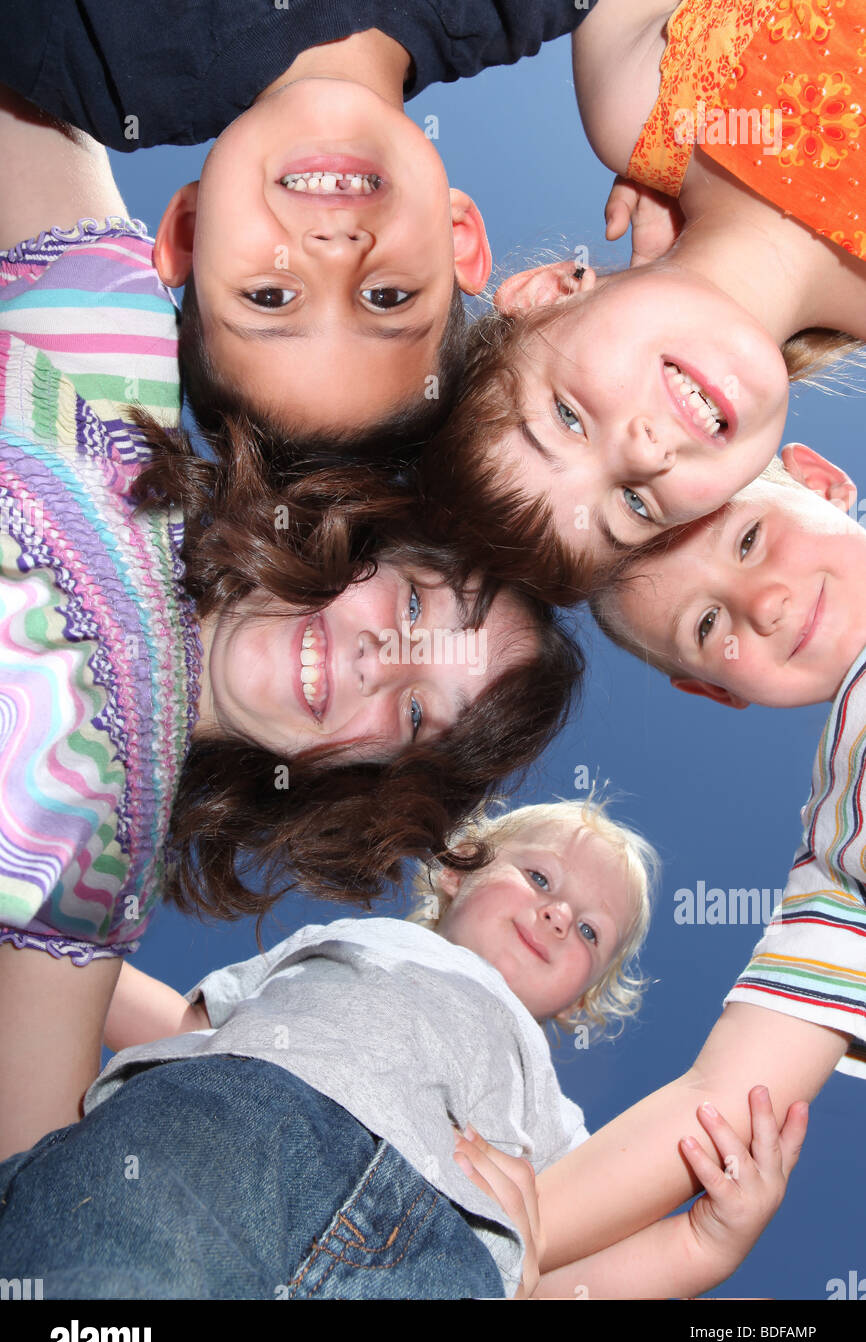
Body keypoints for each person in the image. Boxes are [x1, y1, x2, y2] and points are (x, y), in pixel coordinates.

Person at [0, 92, 581, 1162]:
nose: (378, 661)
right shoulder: (106, 364)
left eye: (415, 710)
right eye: (412, 606)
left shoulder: (86, 884)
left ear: (357, 775)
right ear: (358, 531)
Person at [0, 797, 808, 1299]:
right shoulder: (355, 941)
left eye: (591, 931)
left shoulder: (555, 1123)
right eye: (538, 879)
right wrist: (45, 929)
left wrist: (701, 1247)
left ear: (585, 994)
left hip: (439, 1255)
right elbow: (184, 1028)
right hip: (231, 1129)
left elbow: (559, 1281)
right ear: (456, 870)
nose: (562, 915)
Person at [514, 448, 865, 1277]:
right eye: (709, 626)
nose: (766, 603)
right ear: (716, 690)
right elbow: (720, 1099)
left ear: (821, 483)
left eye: (748, 539)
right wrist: (500, 1229)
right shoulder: (839, 861)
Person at [0, 2, 605, 449]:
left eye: (271, 297)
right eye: (386, 298)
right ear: (459, 238)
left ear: (187, 231)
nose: (333, 251)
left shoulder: (84, 57)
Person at [425, 0, 866, 598]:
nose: (644, 452)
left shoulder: (639, 99)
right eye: (633, 504)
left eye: (567, 418)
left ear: (547, 292)